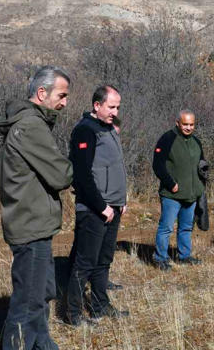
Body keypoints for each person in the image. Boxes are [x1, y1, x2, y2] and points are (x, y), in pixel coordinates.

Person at [0, 66, 73, 350]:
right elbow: (61, 175)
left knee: (41, 295)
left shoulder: (31, 123)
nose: (65, 102)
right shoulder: (30, 126)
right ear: (42, 93)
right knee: (27, 304)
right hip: (29, 227)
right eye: (61, 95)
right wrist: (74, 166)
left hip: (35, 224)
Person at [65, 85, 130, 325]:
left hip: (113, 206)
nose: (115, 111)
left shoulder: (108, 129)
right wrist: (101, 206)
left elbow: (113, 167)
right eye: (111, 107)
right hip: (94, 209)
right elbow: (81, 174)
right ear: (97, 105)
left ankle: (101, 306)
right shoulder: (85, 130)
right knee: (84, 263)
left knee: (104, 260)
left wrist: (120, 201)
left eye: (117, 107)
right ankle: (72, 315)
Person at [152, 110, 206, 270]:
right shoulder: (167, 139)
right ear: (177, 123)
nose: (188, 127)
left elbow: (202, 164)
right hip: (171, 195)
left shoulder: (196, 142)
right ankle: (160, 258)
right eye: (185, 124)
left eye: (191, 124)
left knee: (186, 227)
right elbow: (157, 165)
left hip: (191, 194)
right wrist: (170, 184)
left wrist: (200, 186)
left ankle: (184, 256)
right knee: (166, 227)